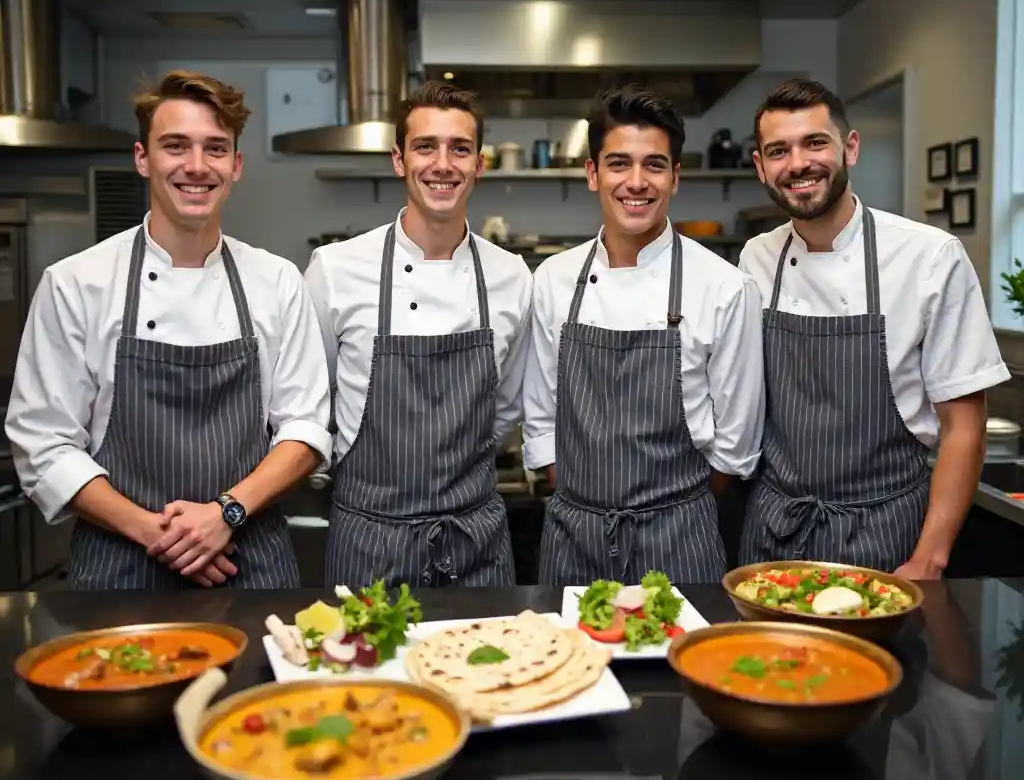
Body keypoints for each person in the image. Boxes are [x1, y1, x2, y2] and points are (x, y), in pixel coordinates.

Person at [4, 70, 332, 590]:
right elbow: (44, 445)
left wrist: (224, 514)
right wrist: (167, 535)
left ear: (236, 165)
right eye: (175, 146)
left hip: (251, 570)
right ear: (143, 158)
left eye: (216, 149)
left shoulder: (276, 281)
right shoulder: (75, 283)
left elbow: (306, 429)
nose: (196, 166)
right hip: (119, 572)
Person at [738, 78, 1009, 578]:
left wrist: (929, 558)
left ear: (851, 147)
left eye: (815, 142)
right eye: (779, 150)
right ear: (761, 167)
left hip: (888, 536)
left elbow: (964, 426)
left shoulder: (930, 257)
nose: (798, 164)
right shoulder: (756, 257)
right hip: (775, 535)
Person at [522, 85, 765, 585]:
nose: (637, 182)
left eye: (654, 165)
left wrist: (670, 509)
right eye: (618, 163)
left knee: (680, 666)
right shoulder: (552, 279)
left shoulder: (724, 286)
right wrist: (582, 499)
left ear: (675, 177)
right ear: (592, 173)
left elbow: (736, 442)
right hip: (575, 537)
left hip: (680, 539)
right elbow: (541, 414)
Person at [304, 80, 533, 588]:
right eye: (425, 146)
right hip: (368, 542)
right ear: (398, 160)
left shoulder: (512, 275)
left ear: (480, 164)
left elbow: (509, 404)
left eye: (460, 149)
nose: (443, 164)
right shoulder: (336, 269)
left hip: (475, 539)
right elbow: (311, 401)